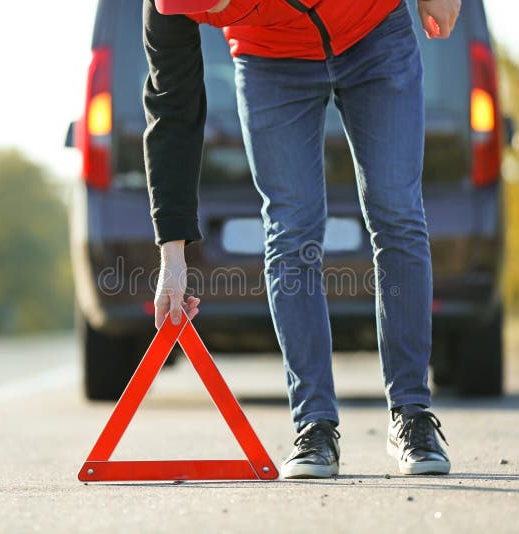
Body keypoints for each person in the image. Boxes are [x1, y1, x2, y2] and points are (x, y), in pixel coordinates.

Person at [143, 0, 460, 478]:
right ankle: (314, 426)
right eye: (210, 12)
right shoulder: (167, 9)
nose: (220, 10)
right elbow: (173, 111)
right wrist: (172, 254)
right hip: (270, 60)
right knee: (290, 229)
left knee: (396, 211)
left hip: (372, 30)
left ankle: (412, 415)